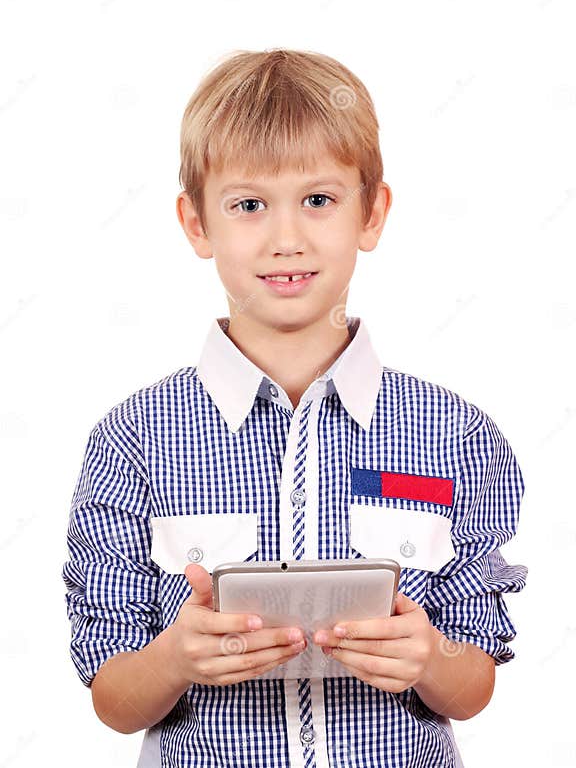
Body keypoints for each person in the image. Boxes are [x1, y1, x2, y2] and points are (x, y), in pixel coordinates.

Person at [61, 48, 528, 768]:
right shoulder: (133, 440)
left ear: (371, 213)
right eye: (249, 204)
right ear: (196, 224)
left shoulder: (456, 436)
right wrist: (174, 659)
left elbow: (474, 683)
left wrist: (430, 658)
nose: (286, 239)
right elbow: (112, 697)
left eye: (318, 200)